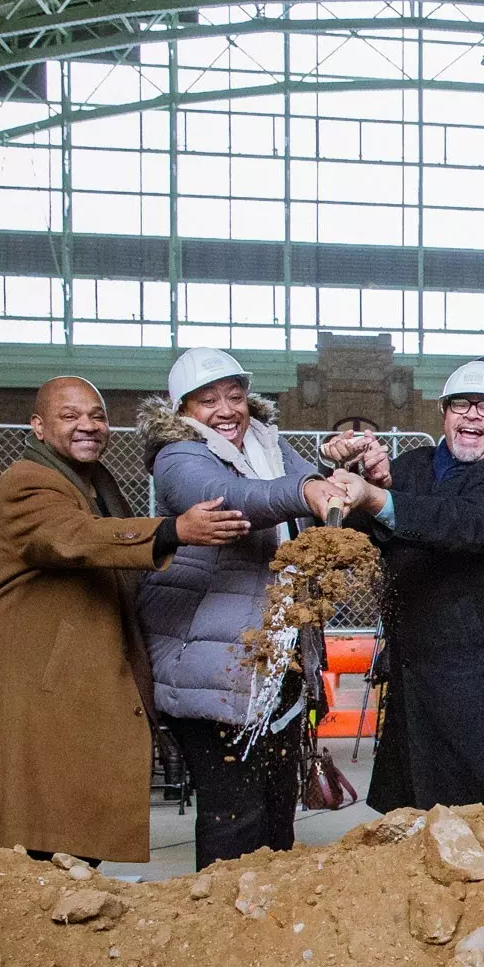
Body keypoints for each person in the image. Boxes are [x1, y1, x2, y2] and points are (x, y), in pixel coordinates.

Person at [0, 377, 246, 862]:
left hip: (65, 666)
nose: (88, 426)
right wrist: (175, 530)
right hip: (33, 670)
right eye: (70, 417)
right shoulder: (29, 479)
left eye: (96, 415)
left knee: (66, 816)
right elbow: (71, 537)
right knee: (46, 820)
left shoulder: (89, 479)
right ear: (39, 426)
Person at [137, 348, 342, 869]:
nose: (226, 409)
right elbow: (230, 496)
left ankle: (264, 931)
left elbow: (309, 490)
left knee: (276, 810)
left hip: (275, 660)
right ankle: (218, 928)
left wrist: (341, 471)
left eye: (235, 396)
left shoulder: (268, 444)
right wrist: (306, 488)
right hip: (211, 662)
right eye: (208, 400)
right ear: (183, 409)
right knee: (235, 812)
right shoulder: (178, 456)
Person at [327, 360, 484, 811]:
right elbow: (369, 536)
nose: (472, 416)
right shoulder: (411, 468)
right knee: (413, 821)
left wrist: (379, 498)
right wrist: (356, 479)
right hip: (415, 679)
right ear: (444, 414)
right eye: (461, 405)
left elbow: (463, 523)